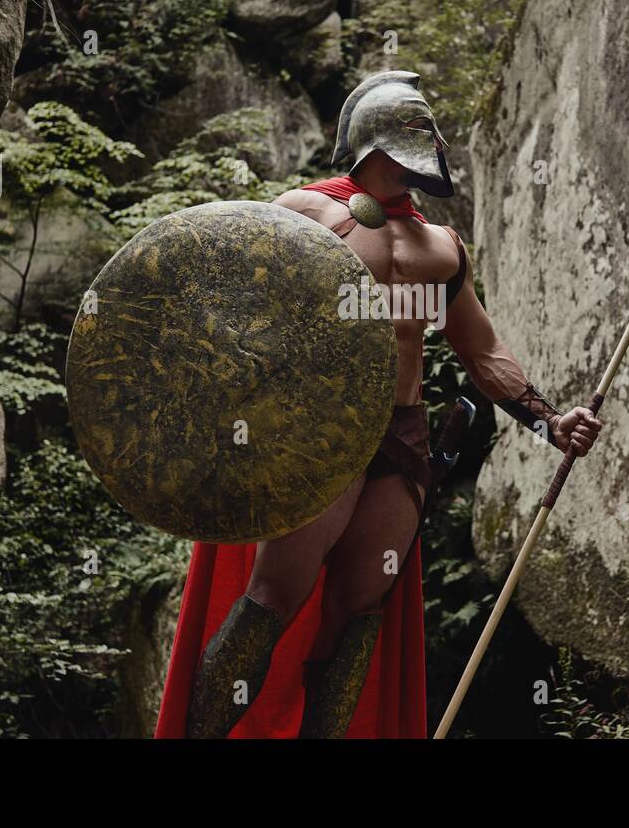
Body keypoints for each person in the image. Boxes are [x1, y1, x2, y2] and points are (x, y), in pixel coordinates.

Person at [154, 71, 602, 739]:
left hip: (401, 437)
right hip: (320, 429)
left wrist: (548, 420)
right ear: (372, 143)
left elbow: (483, 352)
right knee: (275, 596)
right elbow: (234, 313)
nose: (424, 152)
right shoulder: (301, 211)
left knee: (358, 608)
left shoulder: (440, 248)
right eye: (409, 138)